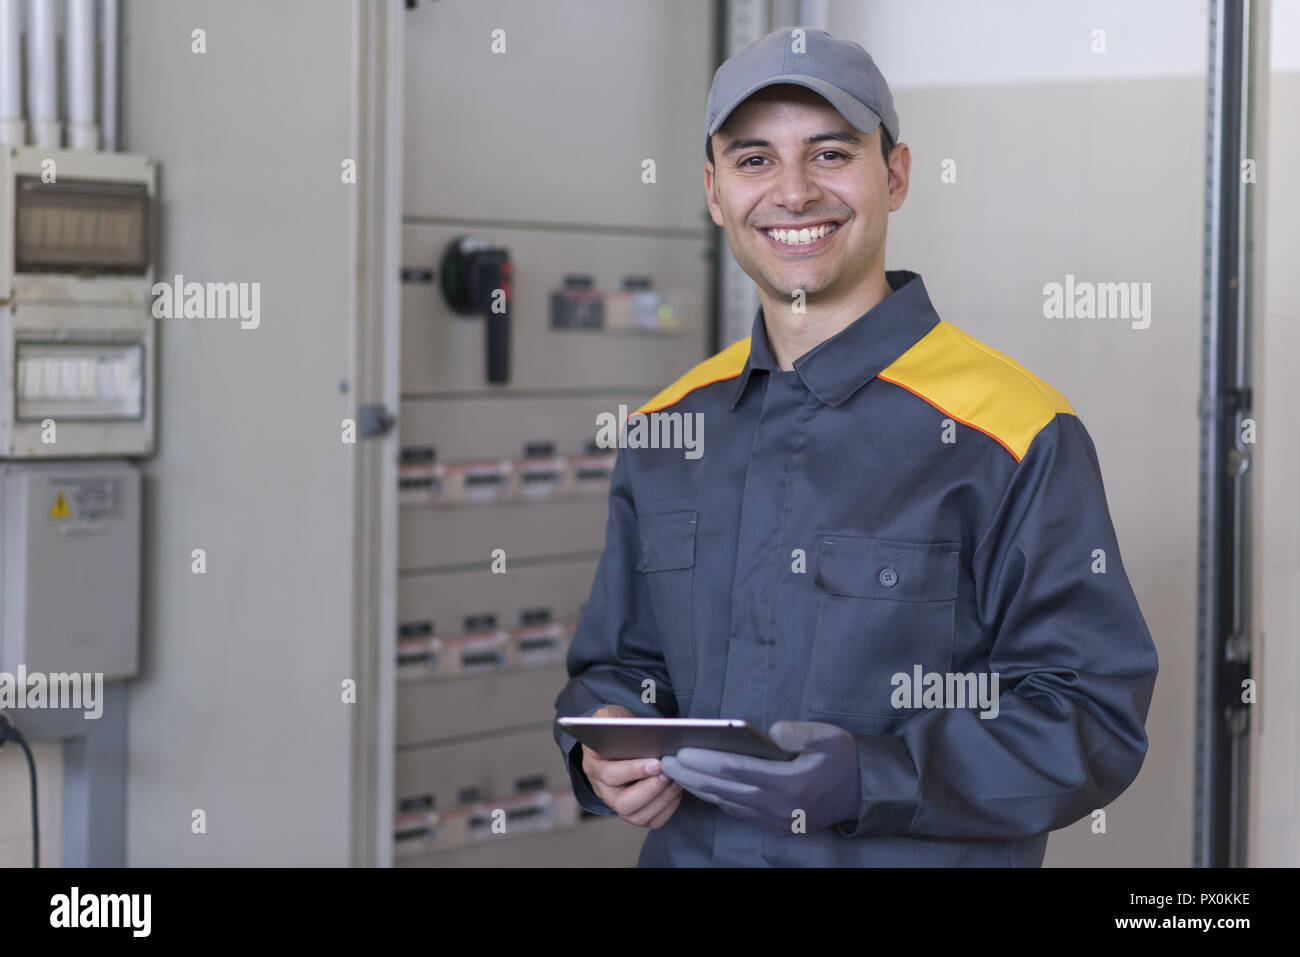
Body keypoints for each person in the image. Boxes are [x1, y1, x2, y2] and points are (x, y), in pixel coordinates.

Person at [552, 27, 1158, 866]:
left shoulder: (1012, 432)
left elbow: (1092, 717)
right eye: (754, 160)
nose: (793, 193)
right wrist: (605, 741)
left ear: (895, 174)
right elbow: (620, 666)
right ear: (714, 191)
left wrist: (875, 777)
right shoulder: (668, 429)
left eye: (830, 153)